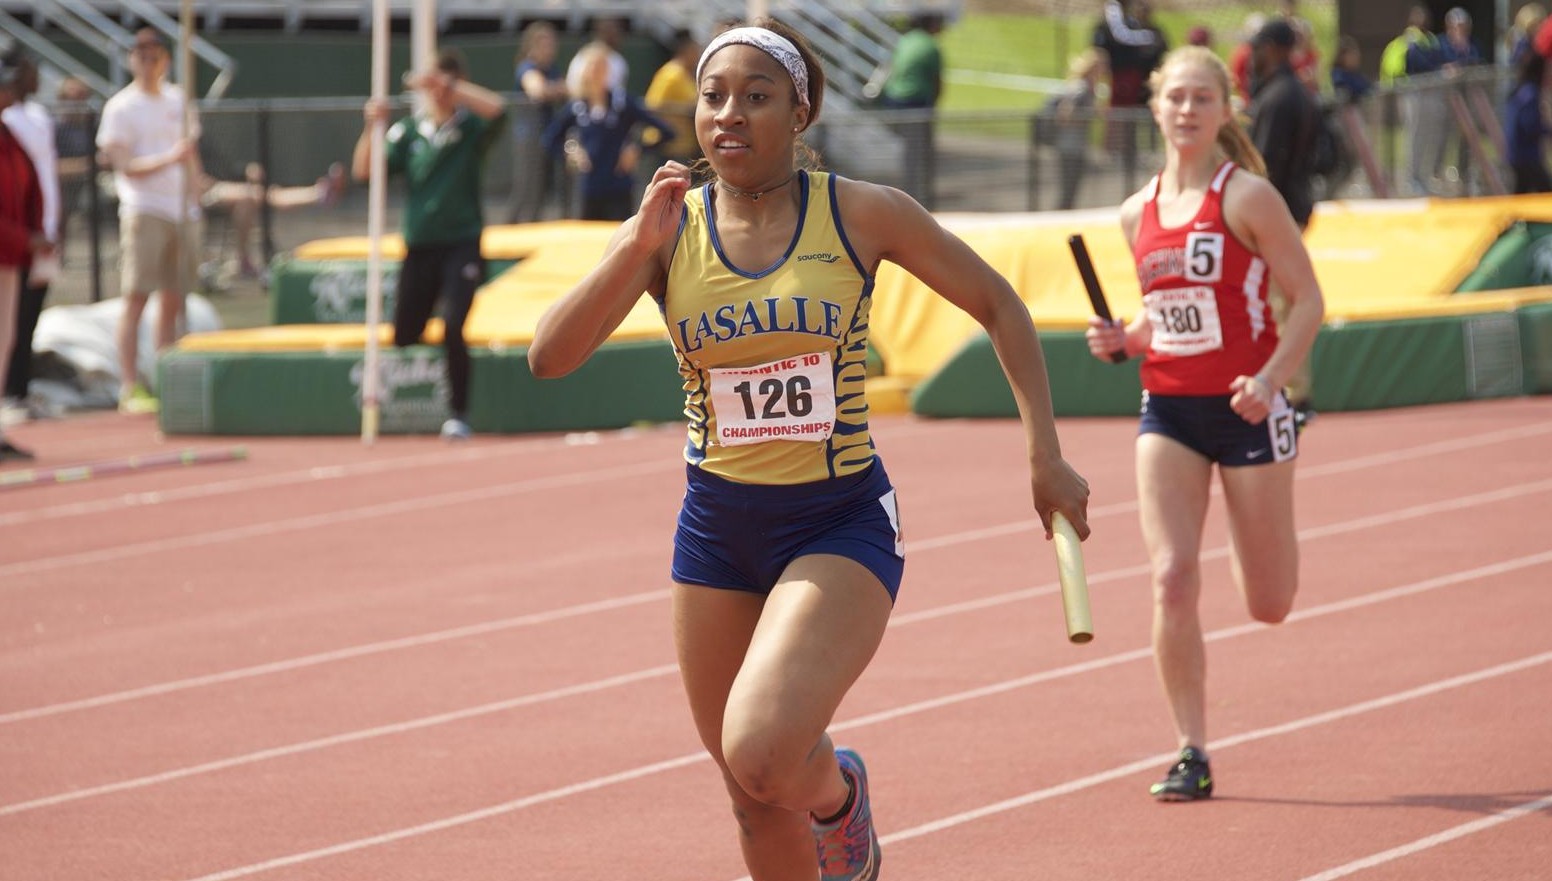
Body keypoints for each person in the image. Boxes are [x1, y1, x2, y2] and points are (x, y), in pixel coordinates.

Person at [527, 20, 1091, 880]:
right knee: (750, 795)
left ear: (801, 110)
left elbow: (1001, 305)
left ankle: (840, 798)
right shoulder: (667, 228)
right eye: (714, 97)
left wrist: (1044, 455)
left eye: (756, 97)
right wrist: (637, 248)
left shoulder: (859, 212)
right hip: (716, 526)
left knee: (760, 746)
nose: (728, 116)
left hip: (838, 520)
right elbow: (550, 357)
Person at [1084, 45, 1324, 802]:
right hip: (1170, 411)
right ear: (1154, 107)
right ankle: (1192, 748)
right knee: (1170, 576)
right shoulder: (1136, 212)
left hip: (1249, 406)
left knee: (1269, 602)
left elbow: (1309, 299)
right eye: (1175, 98)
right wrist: (1127, 337)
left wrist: (1272, 379)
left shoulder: (1248, 196)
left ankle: (1260, 525)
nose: (1186, 111)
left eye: (1201, 99)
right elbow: (1163, 313)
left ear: (1225, 111)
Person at [351, 48, 505, 441]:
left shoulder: (470, 129)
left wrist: (452, 87)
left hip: (461, 243)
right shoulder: (409, 132)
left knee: (454, 326)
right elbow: (365, 171)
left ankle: (458, 413)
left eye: (445, 85)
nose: (437, 94)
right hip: (420, 246)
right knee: (405, 332)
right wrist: (371, 126)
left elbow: (499, 110)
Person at [96, 27, 203, 414]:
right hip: (145, 209)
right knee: (137, 296)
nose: (147, 61)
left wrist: (196, 194)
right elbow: (124, 167)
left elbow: (191, 154)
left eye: (154, 54)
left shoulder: (178, 99)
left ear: (165, 60)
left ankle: (166, 377)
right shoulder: (121, 108)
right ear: (131, 59)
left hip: (181, 210)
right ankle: (130, 384)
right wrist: (168, 159)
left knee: (173, 299)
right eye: (140, 54)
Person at [1247, 20, 1320, 417]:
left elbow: (1264, 165)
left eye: (1258, 47)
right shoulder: (1298, 93)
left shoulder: (1277, 97)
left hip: (1279, 212)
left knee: (1281, 303)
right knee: (1286, 299)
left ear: (1273, 48)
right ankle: (1292, 386)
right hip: (1294, 204)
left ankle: (1292, 389)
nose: (1253, 55)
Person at [543, 45, 673, 222]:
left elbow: (666, 132)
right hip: (589, 189)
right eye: (592, 67)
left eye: (601, 67)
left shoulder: (622, 103)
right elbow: (550, 139)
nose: (596, 73)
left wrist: (637, 149)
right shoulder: (577, 107)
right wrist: (571, 152)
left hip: (619, 187)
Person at [1, 49, 59, 423]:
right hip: (10, 245)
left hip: (11, 252)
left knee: (8, 333)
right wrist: (25, 238)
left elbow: (32, 186)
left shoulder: (8, 135)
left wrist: (39, 233)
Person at [200, 160, 346, 281]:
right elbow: (200, 183)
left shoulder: (200, 147)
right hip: (202, 197)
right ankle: (318, 194)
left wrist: (247, 171)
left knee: (255, 198)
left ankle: (318, 193)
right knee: (258, 196)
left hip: (217, 189)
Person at [878, 13, 946, 207]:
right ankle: (915, 192)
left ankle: (906, 188)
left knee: (907, 149)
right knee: (918, 149)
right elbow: (937, 81)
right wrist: (934, 106)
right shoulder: (931, 46)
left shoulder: (905, 40)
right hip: (916, 101)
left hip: (894, 99)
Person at [505, 21, 569, 224]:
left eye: (552, 45)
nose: (549, 50)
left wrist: (558, 88)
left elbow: (568, 89)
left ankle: (530, 228)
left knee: (540, 189)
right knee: (526, 189)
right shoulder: (527, 67)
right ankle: (510, 231)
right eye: (544, 45)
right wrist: (558, 88)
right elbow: (537, 90)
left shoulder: (550, 69)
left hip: (546, 135)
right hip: (528, 136)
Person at [1094, 1, 1167, 169]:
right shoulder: (1116, 18)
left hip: (1140, 79)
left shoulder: (1149, 29)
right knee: (1119, 113)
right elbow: (1119, 36)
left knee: (1136, 114)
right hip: (1123, 76)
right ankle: (1113, 151)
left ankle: (1131, 150)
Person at [1051, 48, 1108, 211]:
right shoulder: (1080, 88)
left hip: (1078, 145)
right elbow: (1065, 114)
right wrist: (1090, 114)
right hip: (1069, 145)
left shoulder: (1091, 88)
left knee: (1073, 187)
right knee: (1068, 187)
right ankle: (1061, 216)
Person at [643, 28, 703, 166]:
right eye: (695, 51)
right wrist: (686, 109)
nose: (697, 56)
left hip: (682, 144)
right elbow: (653, 106)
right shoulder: (670, 74)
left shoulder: (686, 74)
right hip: (666, 144)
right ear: (685, 52)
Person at [1504, 50, 1550, 194]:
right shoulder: (1530, 93)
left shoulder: (1520, 90)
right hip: (1526, 155)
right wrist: (1548, 130)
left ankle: (1518, 216)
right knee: (1547, 192)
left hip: (1515, 153)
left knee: (1521, 192)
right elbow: (1530, 125)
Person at [565, 17, 629, 96]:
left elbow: (618, 93)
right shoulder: (582, 57)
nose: (611, 35)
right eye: (606, 31)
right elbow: (572, 87)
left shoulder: (618, 60)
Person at [1329, 36, 1374, 106]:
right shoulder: (1339, 76)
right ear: (1342, 57)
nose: (1356, 58)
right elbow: (1344, 95)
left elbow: (1369, 89)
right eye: (1352, 55)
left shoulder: (1357, 75)